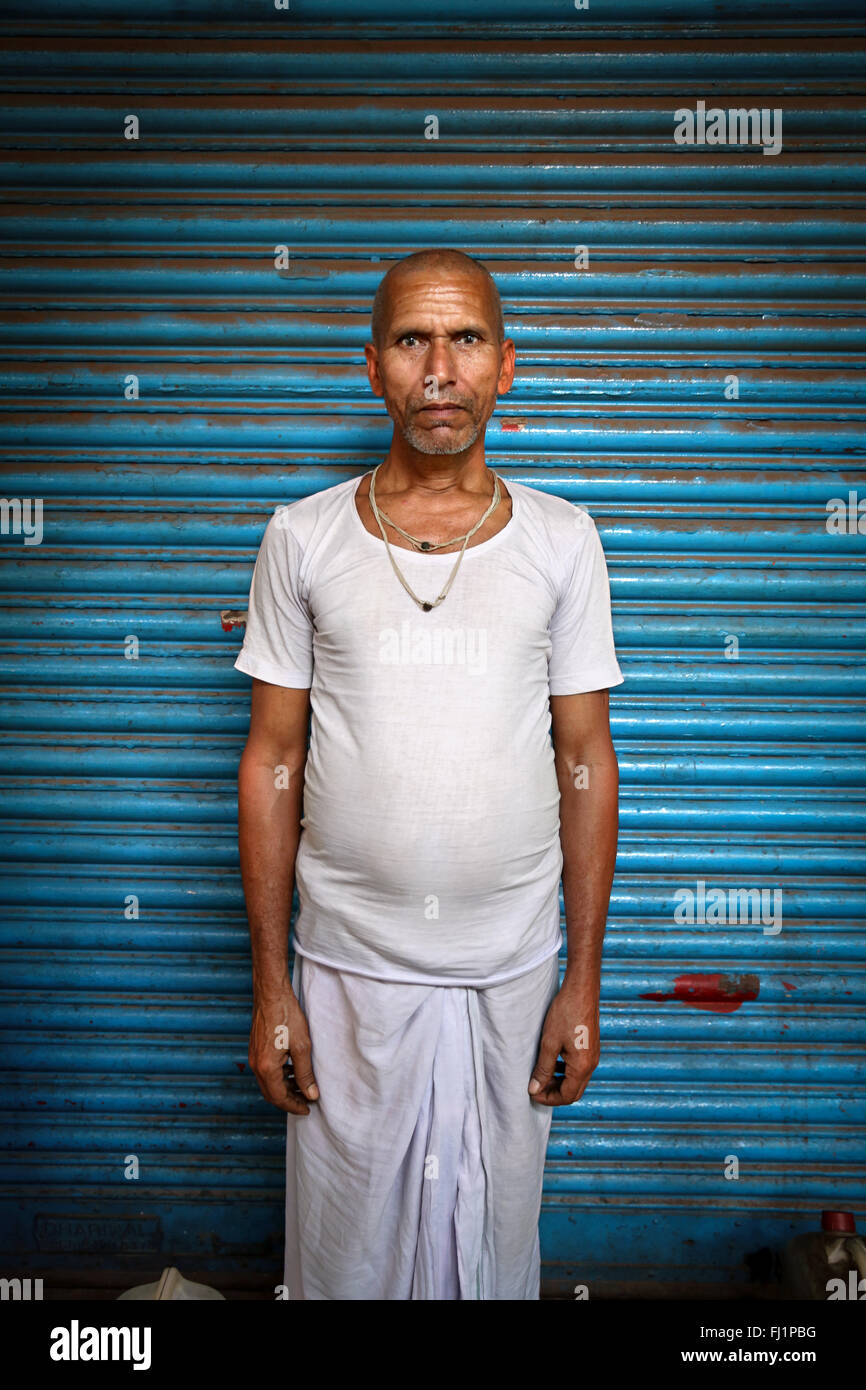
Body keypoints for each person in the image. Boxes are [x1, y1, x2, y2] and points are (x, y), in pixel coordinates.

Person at [235, 248, 624, 1300]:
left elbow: (583, 757)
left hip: (506, 974)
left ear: (506, 364)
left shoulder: (561, 541)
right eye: (412, 340)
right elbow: (273, 757)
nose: (439, 369)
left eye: (465, 340)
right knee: (342, 1259)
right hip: (348, 976)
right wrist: (274, 985)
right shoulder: (303, 537)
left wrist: (577, 983)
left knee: (486, 1258)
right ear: (373, 366)